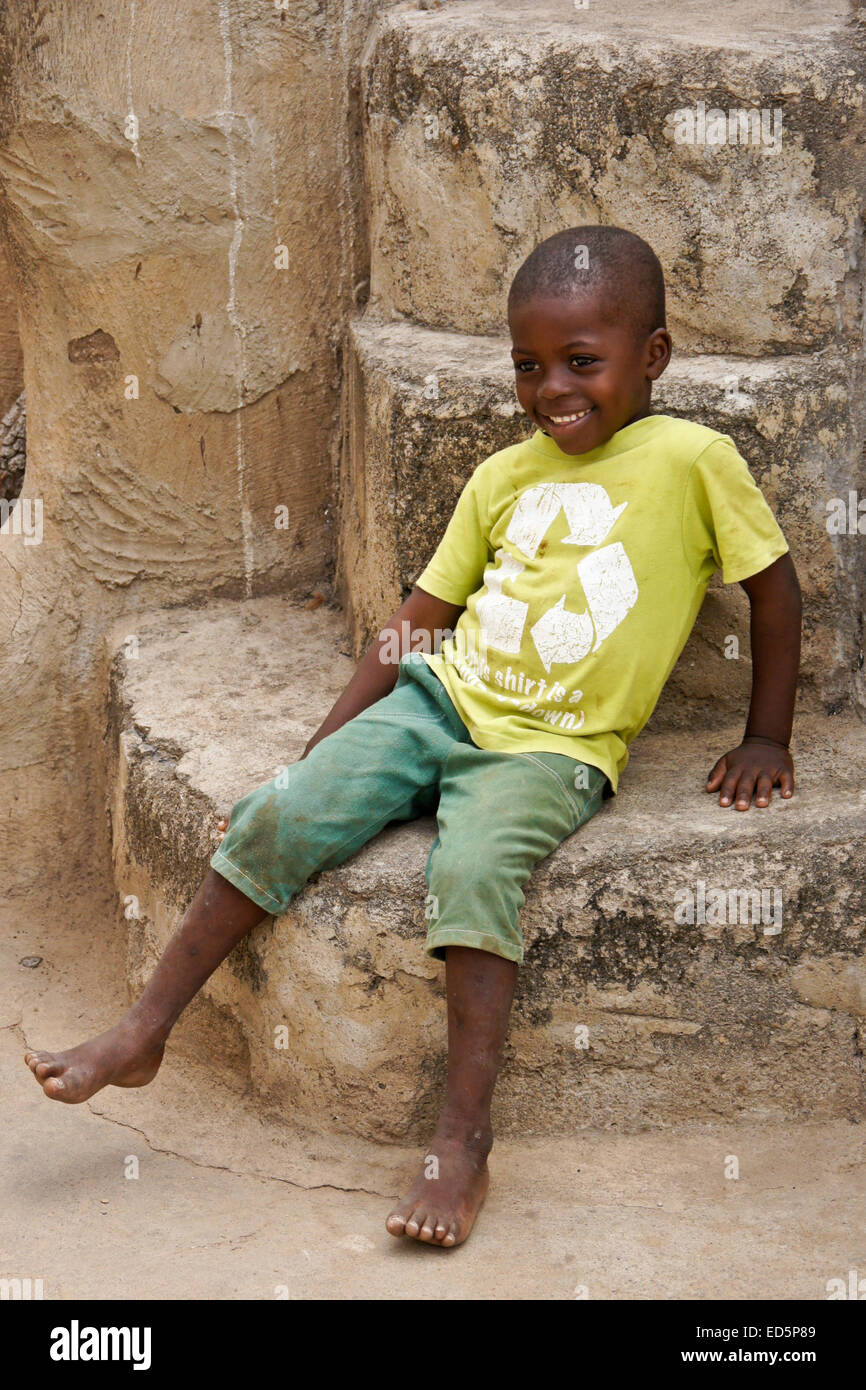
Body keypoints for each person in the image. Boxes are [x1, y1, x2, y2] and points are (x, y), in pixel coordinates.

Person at [24, 225, 801, 1250]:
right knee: (282, 813)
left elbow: (772, 585)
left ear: (650, 358)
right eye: (527, 366)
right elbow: (414, 623)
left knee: (472, 868)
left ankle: (459, 1140)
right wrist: (319, 748)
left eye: (581, 362)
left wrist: (767, 736)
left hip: (551, 749)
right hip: (440, 701)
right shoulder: (500, 476)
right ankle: (144, 1027)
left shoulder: (693, 460)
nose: (550, 388)